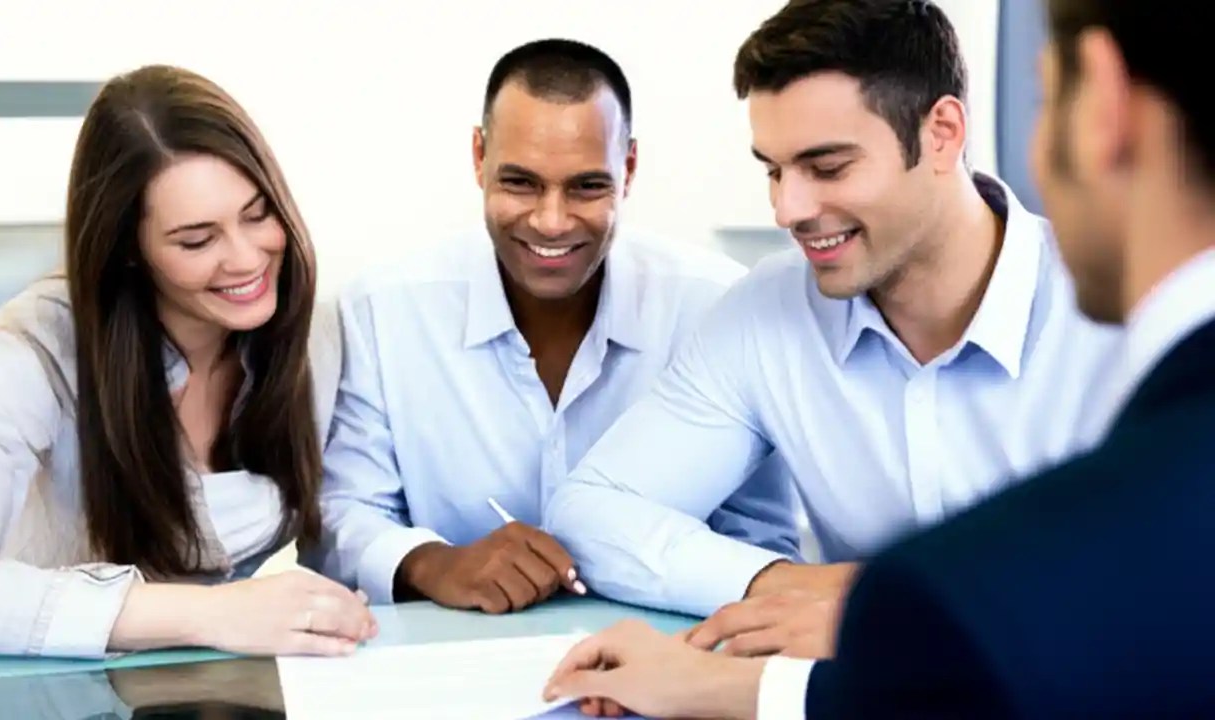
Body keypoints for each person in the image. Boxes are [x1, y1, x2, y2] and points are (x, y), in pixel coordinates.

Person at [543, 0, 1215, 716]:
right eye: (773, 171)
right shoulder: (766, 313)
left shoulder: (1123, 316)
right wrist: (782, 584)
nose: (789, 209)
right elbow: (591, 511)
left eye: (826, 166)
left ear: (943, 135)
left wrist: (876, 613)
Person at [308, 39, 800, 614]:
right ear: (477, 156)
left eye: (587, 186)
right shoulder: (382, 311)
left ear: (630, 168)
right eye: (520, 182)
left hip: (666, 654)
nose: (551, 220)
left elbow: (760, 538)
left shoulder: (718, 306)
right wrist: (435, 564)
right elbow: (339, 518)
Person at [0, 65, 373, 658]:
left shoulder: (314, 333)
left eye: (258, 214)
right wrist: (206, 614)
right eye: (197, 240)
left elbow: (338, 528)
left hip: (217, 691)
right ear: (129, 251)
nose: (247, 259)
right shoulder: (33, 348)